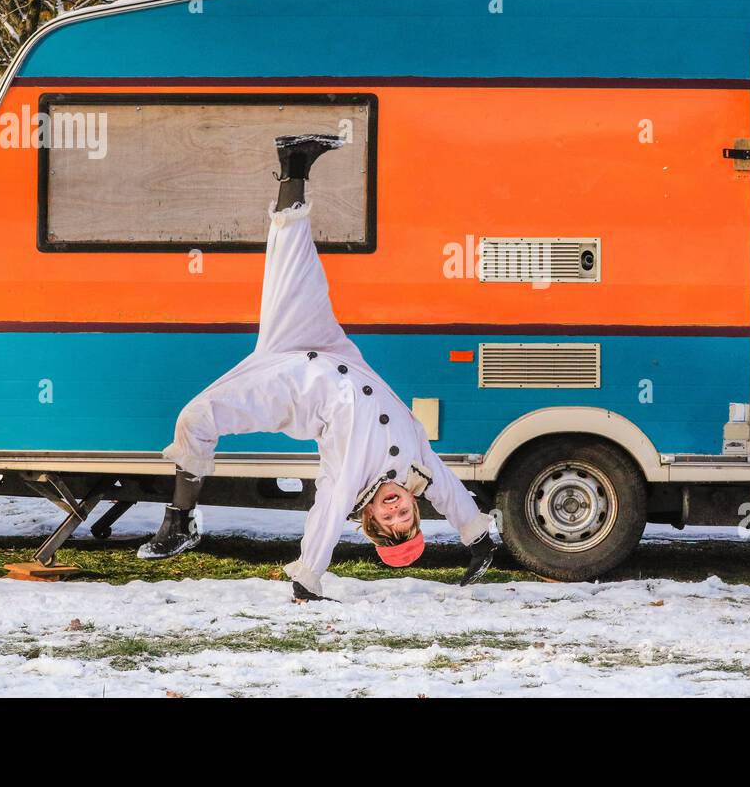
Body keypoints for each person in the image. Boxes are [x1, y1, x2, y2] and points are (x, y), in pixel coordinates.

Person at [139, 135, 497, 602]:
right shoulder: (420, 468)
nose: (395, 513)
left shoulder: (344, 485)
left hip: (291, 389)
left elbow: (324, 521)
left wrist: (307, 579)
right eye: (405, 517)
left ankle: (180, 520)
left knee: (196, 417)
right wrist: (478, 538)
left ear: (369, 521)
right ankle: (295, 164)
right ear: (413, 506)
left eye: (388, 522)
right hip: (327, 348)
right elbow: (451, 492)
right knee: (294, 262)